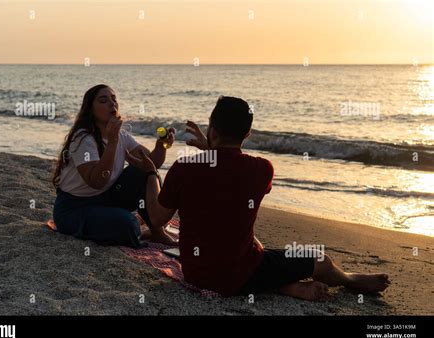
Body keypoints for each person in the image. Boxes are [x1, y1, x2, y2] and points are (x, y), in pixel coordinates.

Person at [127, 96, 390, 299]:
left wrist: (151, 173)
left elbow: (158, 218)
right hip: (239, 272)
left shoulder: (183, 168)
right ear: (248, 134)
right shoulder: (262, 170)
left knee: (257, 246)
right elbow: (227, 177)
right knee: (320, 259)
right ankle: (348, 278)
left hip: (197, 273)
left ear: (213, 131)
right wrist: (211, 150)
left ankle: (288, 287)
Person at [52, 84, 177, 248]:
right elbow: (97, 181)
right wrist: (112, 142)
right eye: (103, 100)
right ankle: (129, 224)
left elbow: (151, 164)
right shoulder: (83, 139)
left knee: (142, 173)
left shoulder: (121, 135)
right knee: (128, 225)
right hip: (74, 209)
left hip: (105, 198)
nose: (112, 104)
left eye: (114, 99)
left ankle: (156, 231)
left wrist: (161, 147)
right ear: (90, 111)